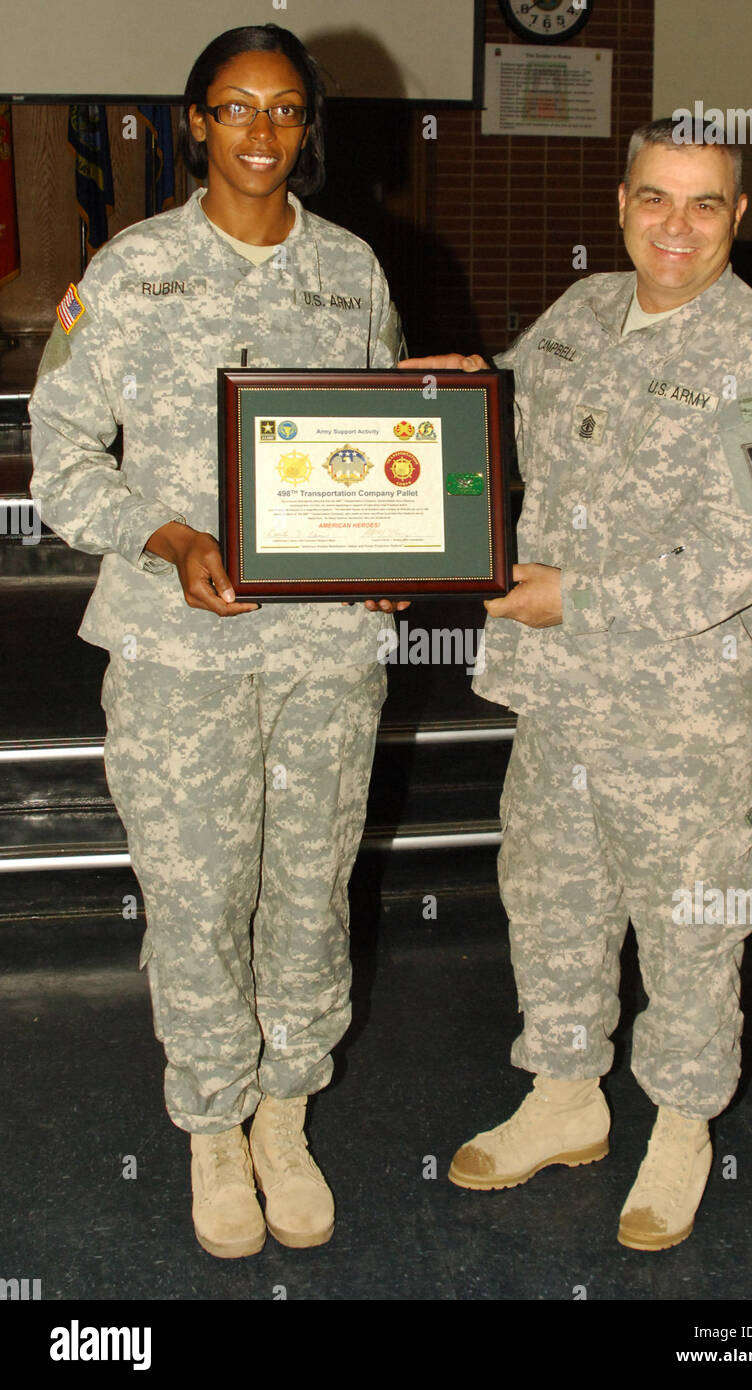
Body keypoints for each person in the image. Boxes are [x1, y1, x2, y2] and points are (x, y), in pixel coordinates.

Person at [400, 118, 752, 1250]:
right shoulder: (585, 315)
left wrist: (576, 597)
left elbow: (744, 555)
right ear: (622, 205)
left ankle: (684, 1127)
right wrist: (458, 393)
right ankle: (565, 1096)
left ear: (739, 216)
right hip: (557, 705)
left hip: (680, 717)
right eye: (655, 199)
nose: (675, 226)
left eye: (703, 204)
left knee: (690, 932)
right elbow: (510, 411)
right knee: (552, 905)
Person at [29, 24, 406, 1260]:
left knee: (309, 890)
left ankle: (285, 1113)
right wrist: (167, 534)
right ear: (193, 121)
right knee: (195, 897)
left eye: (285, 110)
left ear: (308, 127)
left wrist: (407, 555)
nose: (260, 133)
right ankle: (209, 1124)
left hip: (328, 656)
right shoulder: (130, 273)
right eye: (234, 108)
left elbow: (402, 434)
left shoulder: (352, 271)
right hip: (177, 653)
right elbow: (63, 464)